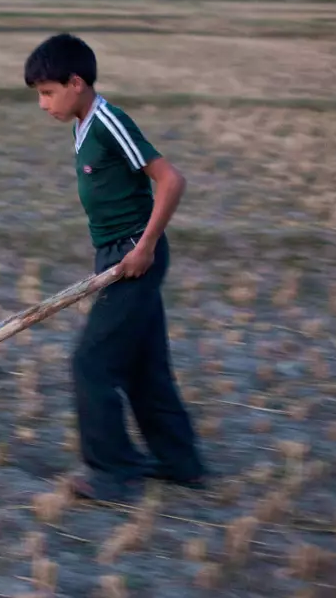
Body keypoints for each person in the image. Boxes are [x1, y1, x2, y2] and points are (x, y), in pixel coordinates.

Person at [23, 33, 207, 503]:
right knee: (144, 365)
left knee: (91, 363)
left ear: (77, 82)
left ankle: (113, 473)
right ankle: (180, 462)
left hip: (134, 256)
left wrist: (144, 246)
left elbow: (171, 180)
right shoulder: (82, 126)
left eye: (48, 92)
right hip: (116, 253)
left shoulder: (107, 120)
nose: (43, 104)